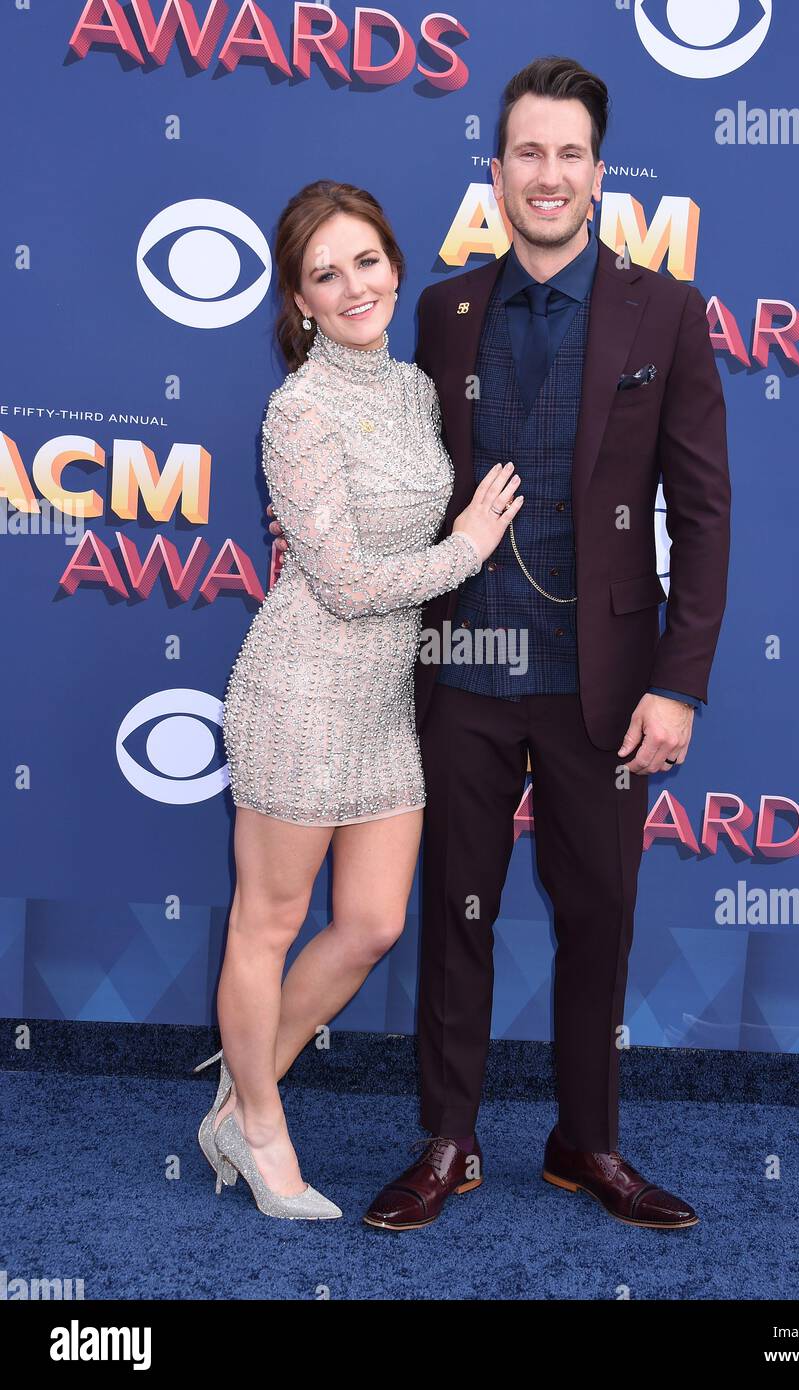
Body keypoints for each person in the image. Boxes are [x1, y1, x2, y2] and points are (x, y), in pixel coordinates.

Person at [271, 54, 731, 1232]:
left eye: (569, 152)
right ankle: (447, 1139)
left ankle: (588, 1142)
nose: (548, 173)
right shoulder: (442, 310)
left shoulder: (665, 313)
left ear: (598, 171)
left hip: (604, 687)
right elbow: (389, 468)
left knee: (598, 918)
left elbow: (705, 511)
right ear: (496, 169)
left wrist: (677, 686)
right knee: (452, 914)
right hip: (458, 679)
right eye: (527, 151)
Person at [194, 180, 523, 1220]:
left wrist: (456, 548)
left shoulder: (416, 391)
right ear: (296, 299)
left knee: (373, 922)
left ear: (393, 263)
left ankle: (236, 1095)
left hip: (383, 703)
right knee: (269, 921)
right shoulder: (297, 410)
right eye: (323, 274)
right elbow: (335, 581)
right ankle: (258, 1124)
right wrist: (464, 548)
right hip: (298, 691)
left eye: (366, 262)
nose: (351, 287)